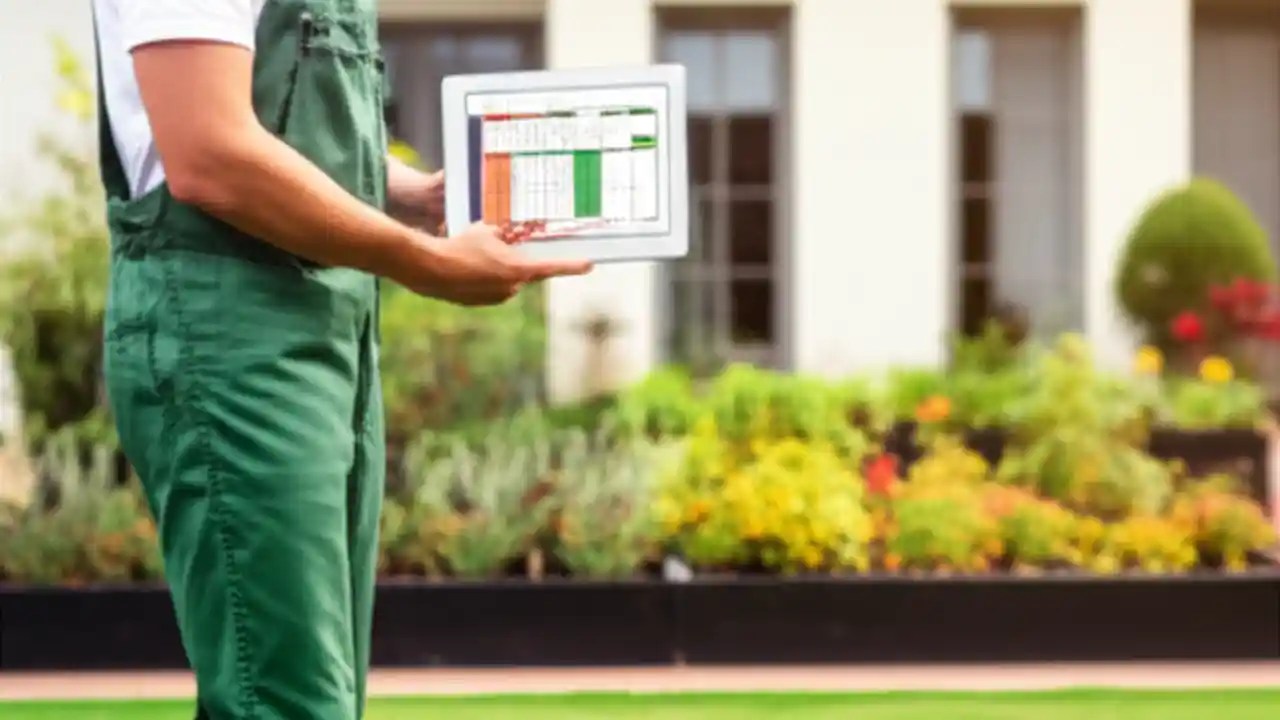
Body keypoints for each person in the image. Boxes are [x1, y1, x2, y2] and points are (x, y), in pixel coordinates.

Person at [91, 1, 592, 718]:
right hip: (227, 327)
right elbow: (208, 151)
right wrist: (426, 263)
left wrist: (407, 193)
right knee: (288, 700)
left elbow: (274, 114)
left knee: (309, 690)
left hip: (324, 322)